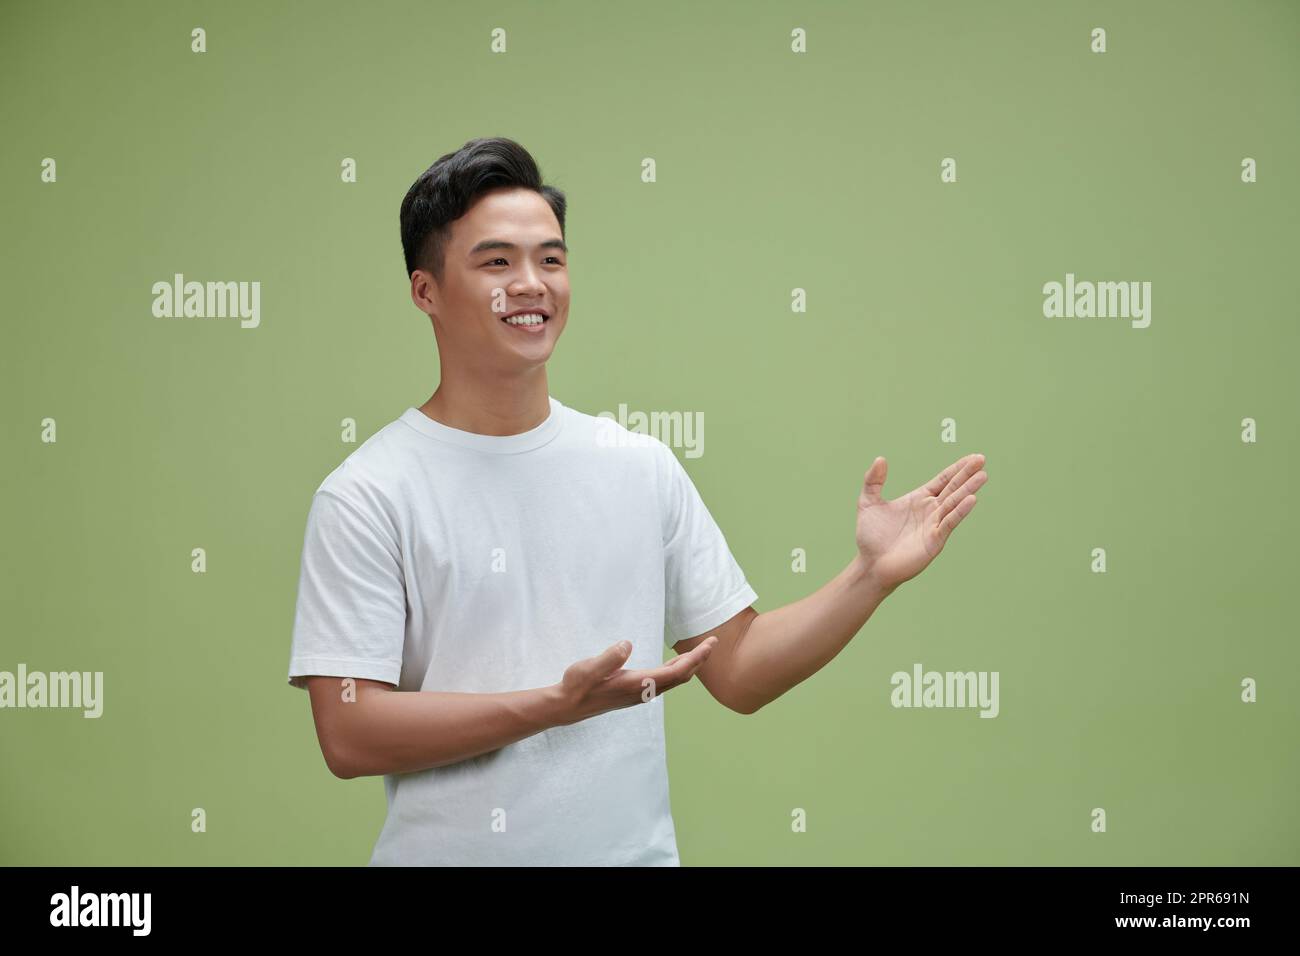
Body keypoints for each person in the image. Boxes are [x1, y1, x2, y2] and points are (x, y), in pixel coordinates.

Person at [286, 137, 989, 866]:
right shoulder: (367, 494)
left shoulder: (638, 466)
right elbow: (350, 733)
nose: (532, 283)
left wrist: (867, 577)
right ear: (425, 290)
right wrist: (551, 707)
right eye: (497, 261)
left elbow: (739, 671)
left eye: (551, 259)